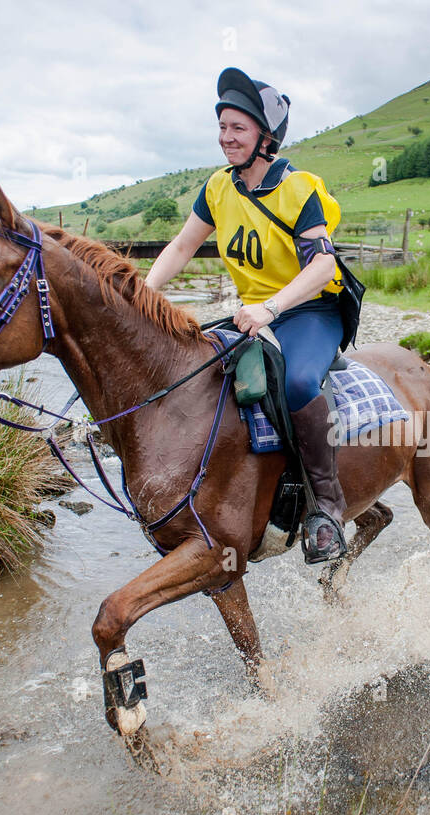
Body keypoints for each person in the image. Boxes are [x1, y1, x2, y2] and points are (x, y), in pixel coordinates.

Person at [144, 68, 352, 564]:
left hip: (309, 309)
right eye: (222, 127)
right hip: (253, 314)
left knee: (299, 381)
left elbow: (323, 265)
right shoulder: (217, 188)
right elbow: (182, 245)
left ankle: (327, 505)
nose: (225, 137)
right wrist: (143, 294)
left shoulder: (299, 189)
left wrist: (272, 306)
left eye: (237, 127)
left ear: (266, 136)